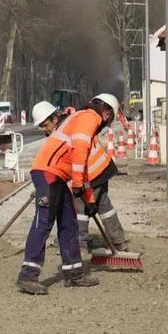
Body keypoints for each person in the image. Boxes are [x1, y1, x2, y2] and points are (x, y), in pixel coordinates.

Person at [16, 101, 101, 295]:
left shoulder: (72, 131)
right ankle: (27, 276)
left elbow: (82, 169)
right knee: (43, 223)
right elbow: (78, 169)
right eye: (42, 126)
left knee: (69, 223)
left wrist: (90, 201)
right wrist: (80, 189)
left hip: (57, 178)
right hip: (47, 176)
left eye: (45, 125)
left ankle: (74, 273)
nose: (45, 130)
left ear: (55, 118)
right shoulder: (70, 131)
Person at [52, 97, 130, 251]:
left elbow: (79, 150)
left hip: (90, 172)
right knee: (104, 206)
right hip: (100, 169)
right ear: (106, 112)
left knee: (79, 208)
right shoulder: (88, 118)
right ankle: (119, 240)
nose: (106, 123)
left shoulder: (84, 117)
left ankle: (79, 243)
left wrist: (77, 183)